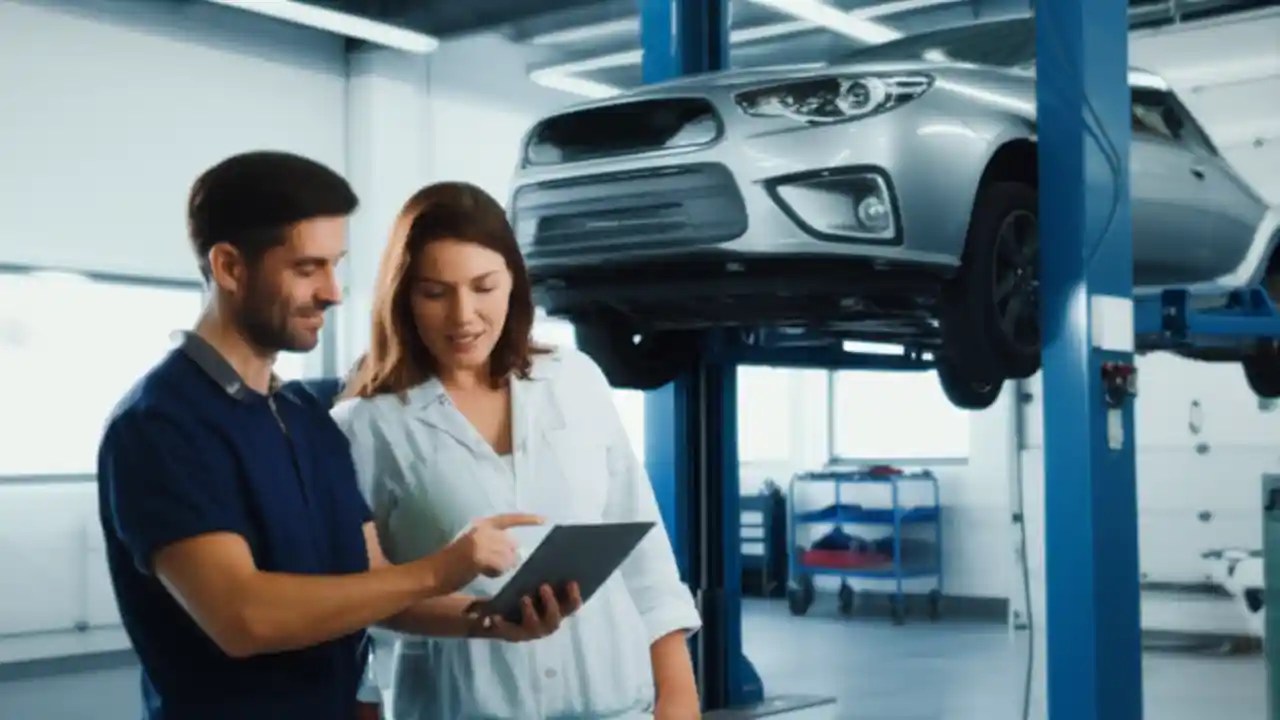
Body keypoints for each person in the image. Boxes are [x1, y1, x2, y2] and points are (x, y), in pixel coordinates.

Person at [96, 151, 563, 720]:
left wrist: (493, 620)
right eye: (306, 268)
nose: (333, 292)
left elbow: (375, 587)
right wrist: (444, 566)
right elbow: (245, 617)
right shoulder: (160, 426)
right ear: (229, 267)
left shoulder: (303, 416)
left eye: (335, 265)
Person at [330, 181, 704, 719]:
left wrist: (680, 699)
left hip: (615, 706)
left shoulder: (572, 378)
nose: (464, 316)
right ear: (403, 296)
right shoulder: (362, 426)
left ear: (513, 284)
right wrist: (480, 614)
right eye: (435, 292)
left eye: (484, 287)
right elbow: (361, 598)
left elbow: (642, 552)